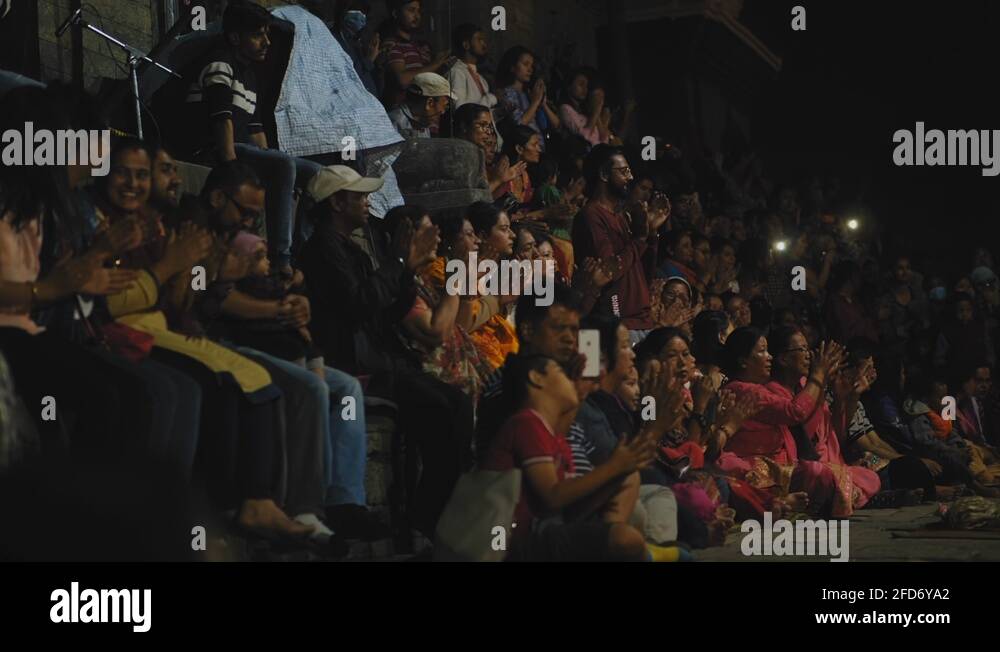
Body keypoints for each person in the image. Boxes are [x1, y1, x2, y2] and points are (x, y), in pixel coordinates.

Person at [299, 164, 473, 534]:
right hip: (351, 363)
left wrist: (407, 270)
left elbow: (387, 313)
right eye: (359, 195)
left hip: (381, 360)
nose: (367, 202)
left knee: (456, 403)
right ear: (336, 203)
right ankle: (426, 516)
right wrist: (397, 263)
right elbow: (358, 305)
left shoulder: (352, 252)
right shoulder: (320, 250)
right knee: (440, 407)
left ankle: (437, 512)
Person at [171, 0, 322, 276]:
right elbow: (221, 119)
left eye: (267, 34)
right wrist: (232, 168)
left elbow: (256, 130)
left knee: (316, 174)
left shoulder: (250, 75)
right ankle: (281, 256)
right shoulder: (220, 64)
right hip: (212, 147)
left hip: (240, 148)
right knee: (284, 165)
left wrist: (269, 160)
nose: (266, 42)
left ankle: (305, 248)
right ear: (235, 37)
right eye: (258, 35)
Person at [481, 354, 655, 561]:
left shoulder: (554, 434)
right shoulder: (526, 423)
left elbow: (566, 511)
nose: (574, 382)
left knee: (628, 482)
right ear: (537, 378)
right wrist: (615, 467)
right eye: (565, 374)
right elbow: (552, 497)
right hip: (517, 539)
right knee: (625, 538)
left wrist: (620, 472)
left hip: (548, 527)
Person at [572, 145, 669, 345]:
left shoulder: (621, 216)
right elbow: (609, 271)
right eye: (623, 171)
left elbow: (644, 274)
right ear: (604, 174)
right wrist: (640, 239)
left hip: (641, 322)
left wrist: (650, 234)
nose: (630, 177)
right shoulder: (591, 216)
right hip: (617, 324)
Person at [467, 202, 520, 372]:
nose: (512, 235)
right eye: (504, 229)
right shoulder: (463, 271)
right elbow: (465, 322)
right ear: (482, 235)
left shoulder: (506, 271)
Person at [379, 0, 452, 107]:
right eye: (411, 10)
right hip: (403, 115)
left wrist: (443, 66)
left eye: (419, 11)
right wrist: (436, 64)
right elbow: (403, 80)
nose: (417, 16)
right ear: (395, 13)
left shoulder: (421, 47)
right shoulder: (391, 44)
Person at [495, 46, 561, 149]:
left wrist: (542, 103)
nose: (530, 69)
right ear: (512, 67)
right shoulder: (507, 93)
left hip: (540, 147)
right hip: (525, 149)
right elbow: (520, 123)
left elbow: (557, 125)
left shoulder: (529, 93)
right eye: (525, 64)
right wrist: (535, 102)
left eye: (532, 66)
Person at [331, 0, 382, 98]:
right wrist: (369, 61)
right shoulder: (333, 40)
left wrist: (377, 64)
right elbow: (350, 80)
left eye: (364, 12)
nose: (361, 16)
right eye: (355, 10)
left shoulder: (356, 43)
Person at [388, 72, 455, 139]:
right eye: (444, 105)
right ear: (429, 103)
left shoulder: (423, 122)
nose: (443, 111)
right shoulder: (394, 123)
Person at [447, 23, 497, 111]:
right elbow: (460, 110)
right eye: (479, 39)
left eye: (484, 40)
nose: (484, 44)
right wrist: (492, 98)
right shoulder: (457, 72)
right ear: (466, 45)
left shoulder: (481, 78)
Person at [558, 68, 610, 148]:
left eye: (586, 86)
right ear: (569, 86)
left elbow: (604, 140)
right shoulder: (565, 109)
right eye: (581, 84)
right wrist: (597, 110)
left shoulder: (587, 112)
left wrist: (600, 116)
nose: (585, 89)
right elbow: (584, 137)